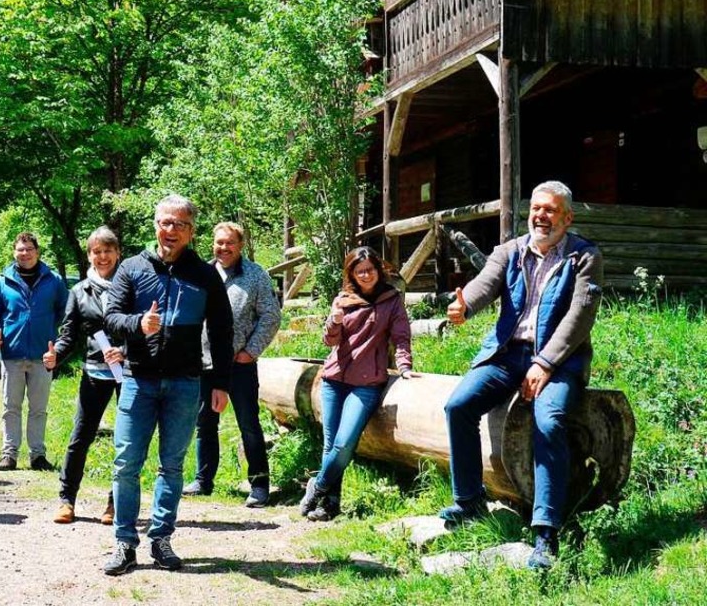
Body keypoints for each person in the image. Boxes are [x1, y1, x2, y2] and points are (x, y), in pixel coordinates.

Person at [438, 181, 603, 570]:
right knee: (458, 406)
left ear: (567, 218)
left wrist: (545, 363)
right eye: (536, 209)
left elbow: (581, 316)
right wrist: (464, 307)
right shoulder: (510, 250)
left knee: (549, 421)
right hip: (507, 353)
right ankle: (469, 501)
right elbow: (484, 285)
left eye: (550, 210)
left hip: (560, 360)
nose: (541, 216)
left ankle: (546, 533)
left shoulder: (584, 256)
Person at [101, 195, 234, 576]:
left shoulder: (205, 275)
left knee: (172, 466)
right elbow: (111, 318)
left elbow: (222, 332)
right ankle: (125, 543)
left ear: (191, 232)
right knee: (126, 464)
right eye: (165, 222)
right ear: (155, 225)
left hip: (185, 383)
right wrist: (138, 324)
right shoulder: (132, 268)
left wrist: (220, 382)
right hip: (138, 381)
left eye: (179, 224)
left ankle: (161, 539)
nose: (170, 230)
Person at [298, 247, 415, 522]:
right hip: (333, 379)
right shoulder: (343, 299)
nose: (365, 275)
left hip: (367, 383)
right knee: (330, 445)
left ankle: (317, 486)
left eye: (370, 270)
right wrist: (334, 321)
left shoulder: (391, 299)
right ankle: (330, 504)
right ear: (352, 274)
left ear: (378, 270)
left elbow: (401, 336)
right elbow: (329, 341)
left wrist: (405, 366)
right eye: (359, 271)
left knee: (344, 444)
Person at [184, 222, 281, 507]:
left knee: (248, 423)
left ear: (240, 245)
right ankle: (203, 480)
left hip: (240, 363)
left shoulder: (255, 275)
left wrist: (251, 351)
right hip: (205, 362)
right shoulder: (203, 273)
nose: (223, 248)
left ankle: (259, 484)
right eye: (219, 242)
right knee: (204, 422)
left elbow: (271, 315)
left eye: (229, 243)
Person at [46, 227, 126, 526]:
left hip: (128, 373)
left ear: (117, 253)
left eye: (108, 251)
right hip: (94, 372)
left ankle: (115, 503)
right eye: (96, 252)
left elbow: (143, 330)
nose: (102, 257)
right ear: (89, 255)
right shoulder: (79, 291)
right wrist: (56, 356)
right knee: (80, 437)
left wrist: (124, 351)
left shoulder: (131, 286)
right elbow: (68, 335)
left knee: (126, 440)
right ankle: (66, 500)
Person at [0, 232, 69, 471]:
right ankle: (8, 455)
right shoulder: (2, 282)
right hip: (12, 354)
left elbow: (66, 313)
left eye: (29, 249)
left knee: (38, 409)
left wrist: (55, 339)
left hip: (43, 356)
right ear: (14, 252)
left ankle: (37, 456)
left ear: (37, 252)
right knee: (11, 407)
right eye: (20, 249)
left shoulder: (53, 280)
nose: (25, 253)